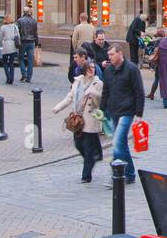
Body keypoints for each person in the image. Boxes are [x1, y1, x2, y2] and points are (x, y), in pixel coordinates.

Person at [53, 54, 104, 183]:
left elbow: (100, 102)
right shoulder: (78, 82)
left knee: (87, 147)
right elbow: (70, 97)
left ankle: (86, 175)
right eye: (89, 68)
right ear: (85, 70)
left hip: (91, 119)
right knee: (78, 144)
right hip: (78, 119)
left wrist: (94, 94)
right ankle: (95, 155)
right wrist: (58, 107)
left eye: (93, 68)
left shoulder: (98, 83)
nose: (92, 70)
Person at [102, 44, 144, 184]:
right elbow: (105, 91)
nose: (110, 57)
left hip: (127, 111)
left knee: (117, 143)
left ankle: (117, 174)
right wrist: (102, 110)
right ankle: (130, 174)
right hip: (114, 110)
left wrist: (139, 114)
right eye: (109, 55)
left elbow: (139, 92)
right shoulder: (108, 71)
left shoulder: (132, 69)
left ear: (120, 54)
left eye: (112, 54)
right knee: (122, 144)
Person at [17, 9, 38, 84]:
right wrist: (36, 43)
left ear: (23, 12)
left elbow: (17, 32)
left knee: (21, 58)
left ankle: (24, 74)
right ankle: (29, 77)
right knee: (30, 60)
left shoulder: (20, 20)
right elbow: (35, 33)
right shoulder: (34, 21)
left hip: (23, 42)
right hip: (31, 42)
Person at [0, 13, 20, 85]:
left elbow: (1, 38)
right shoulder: (15, 26)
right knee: (11, 63)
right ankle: (12, 78)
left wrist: (1, 44)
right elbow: (18, 36)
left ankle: (8, 77)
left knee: (5, 62)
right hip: (13, 45)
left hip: (6, 45)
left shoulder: (3, 27)